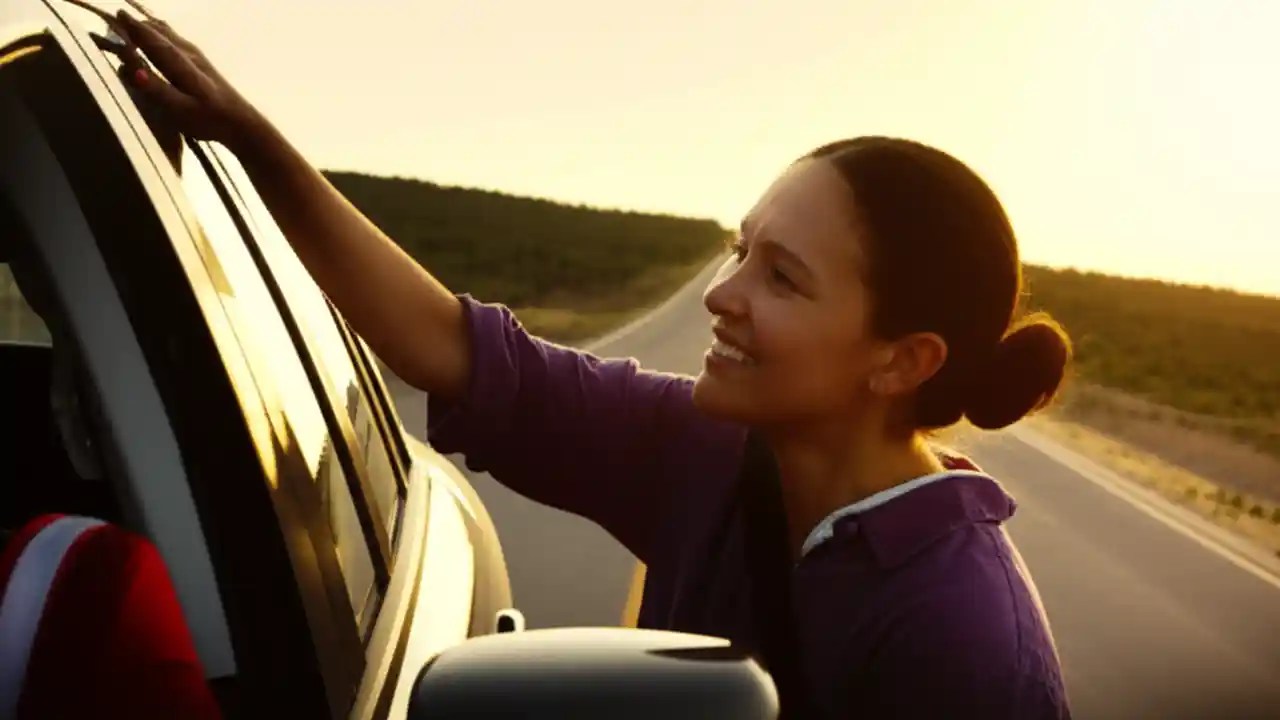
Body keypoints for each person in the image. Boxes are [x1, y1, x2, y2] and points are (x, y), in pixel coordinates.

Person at [114, 9, 1073, 718]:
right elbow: (461, 351)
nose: (722, 294)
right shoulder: (710, 448)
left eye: (781, 277)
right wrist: (254, 144)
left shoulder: (964, 637)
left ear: (902, 360)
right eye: (739, 250)